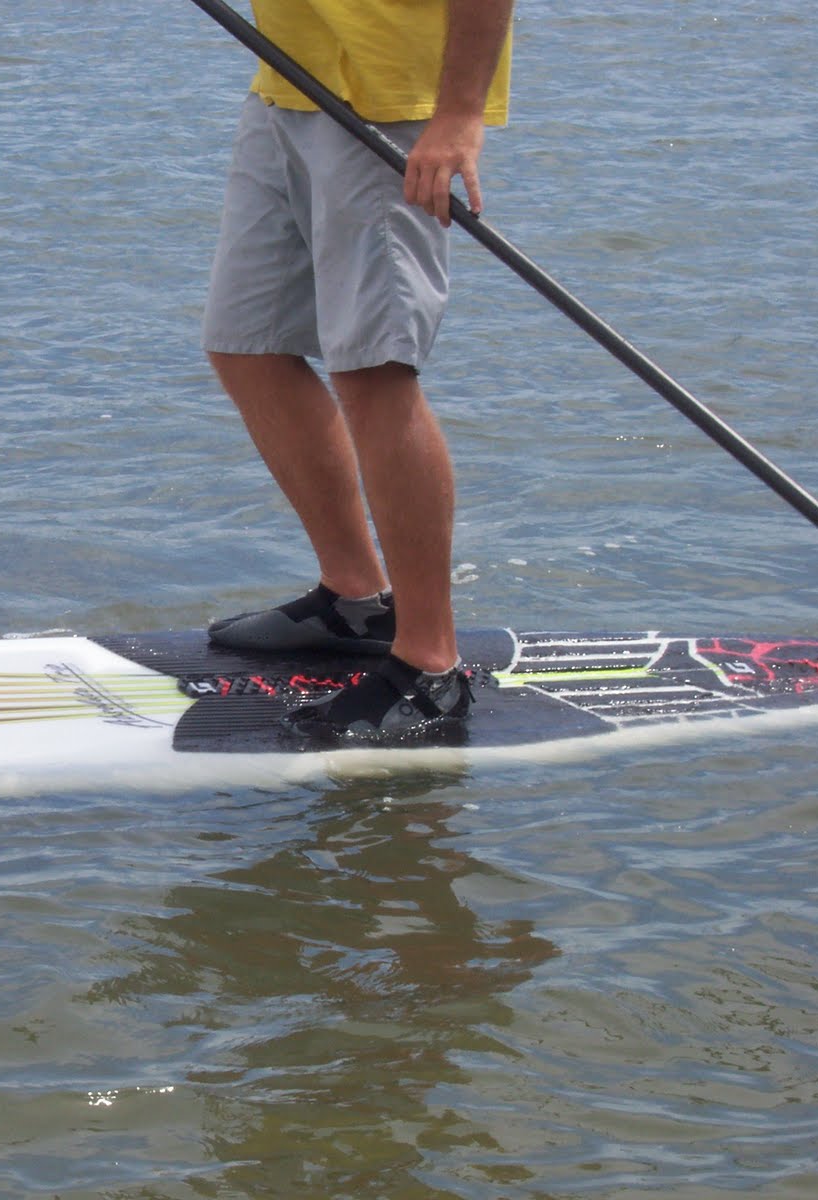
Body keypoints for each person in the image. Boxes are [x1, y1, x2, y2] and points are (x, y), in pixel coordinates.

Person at [201, 0, 514, 743]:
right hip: (285, 81)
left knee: (374, 369)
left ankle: (430, 666)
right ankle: (355, 602)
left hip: (388, 102)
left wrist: (459, 114)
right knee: (246, 343)